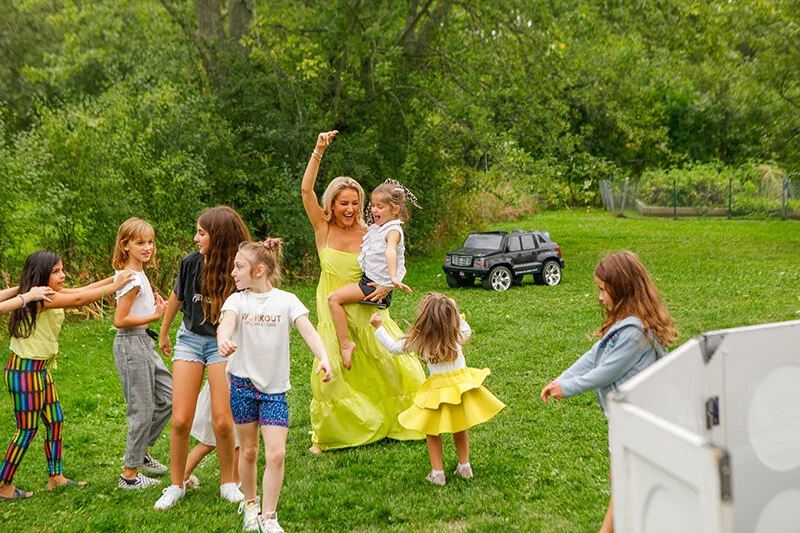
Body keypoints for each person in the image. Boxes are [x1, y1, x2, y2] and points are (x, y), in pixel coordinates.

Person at [301, 131, 425, 453]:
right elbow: (305, 190)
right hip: (333, 316)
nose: (351, 209)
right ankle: (330, 435)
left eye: (356, 203)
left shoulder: (371, 233)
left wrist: (388, 283)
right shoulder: (322, 228)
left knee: (391, 367)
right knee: (330, 377)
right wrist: (318, 151)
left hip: (366, 309)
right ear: (332, 203)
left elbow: (394, 256)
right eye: (344, 203)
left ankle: (404, 420)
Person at [540, 250, 678, 533]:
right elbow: (593, 357)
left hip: (638, 421)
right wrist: (560, 378)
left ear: (622, 288)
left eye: (603, 289)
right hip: (624, 420)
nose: (600, 297)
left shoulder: (635, 332)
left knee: (624, 485)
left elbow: (606, 371)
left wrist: (568, 388)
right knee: (624, 485)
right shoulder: (624, 324)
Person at [217, 238, 332, 532]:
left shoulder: (287, 301)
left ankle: (269, 516)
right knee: (249, 451)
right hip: (242, 386)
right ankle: (251, 503)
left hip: (274, 392)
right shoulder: (236, 300)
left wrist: (324, 357)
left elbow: (308, 330)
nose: (233, 272)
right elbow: (225, 325)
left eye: (239, 266)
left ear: (260, 270)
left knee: (277, 453)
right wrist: (224, 341)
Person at [1, 250, 134, 500]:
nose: (62, 275)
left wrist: (113, 279)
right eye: (55, 271)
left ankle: (56, 477)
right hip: (24, 371)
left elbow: (81, 290)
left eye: (62, 270)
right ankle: (3, 484)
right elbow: (78, 300)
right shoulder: (39, 299)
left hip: (40, 370)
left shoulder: (44, 293)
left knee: (55, 421)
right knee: (27, 430)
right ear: (41, 275)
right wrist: (116, 285)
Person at [155, 206, 251, 510]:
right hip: (190, 341)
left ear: (218, 236)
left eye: (201, 232)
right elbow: (177, 297)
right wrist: (164, 332)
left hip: (222, 345)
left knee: (223, 422)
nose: (196, 238)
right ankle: (175, 485)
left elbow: (261, 290)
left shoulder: (239, 269)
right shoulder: (190, 263)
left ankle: (228, 484)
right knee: (181, 419)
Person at [370, 293, 505, 486]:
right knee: (460, 426)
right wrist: (453, 309)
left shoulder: (421, 340)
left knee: (432, 431)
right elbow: (463, 325)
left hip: (438, 390)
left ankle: (438, 473)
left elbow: (393, 347)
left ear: (424, 319)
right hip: (460, 386)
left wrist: (378, 327)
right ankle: (465, 467)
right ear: (452, 316)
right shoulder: (458, 332)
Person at [327, 179, 419, 370]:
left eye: (380, 206)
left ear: (394, 209)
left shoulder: (393, 231)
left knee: (334, 299)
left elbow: (391, 252)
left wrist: (393, 280)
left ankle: (345, 344)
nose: (374, 210)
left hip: (373, 284)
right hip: (372, 281)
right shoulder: (379, 227)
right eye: (373, 205)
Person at [111, 217, 172, 490]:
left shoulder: (139, 274)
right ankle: (129, 475)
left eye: (150, 242)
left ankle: (141, 452)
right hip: (130, 344)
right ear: (125, 246)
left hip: (144, 343)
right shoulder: (132, 279)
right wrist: (155, 315)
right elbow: (119, 320)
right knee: (141, 410)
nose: (147, 247)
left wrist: (153, 311)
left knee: (170, 397)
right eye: (140, 243)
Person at [182, 379, 241, 490]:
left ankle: (183, 475)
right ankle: (235, 481)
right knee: (237, 443)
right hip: (228, 396)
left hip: (218, 394)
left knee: (208, 443)